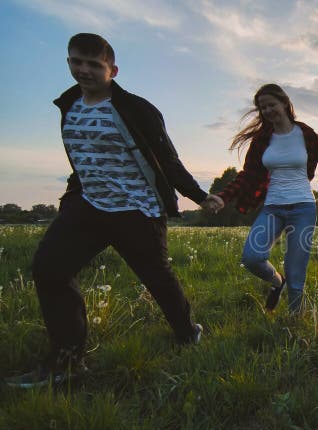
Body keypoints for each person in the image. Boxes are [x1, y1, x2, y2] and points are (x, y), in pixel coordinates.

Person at [5, 33, 221, 389]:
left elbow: (168, 160)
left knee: (158, 278)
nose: (84, 70)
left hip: (136, 211)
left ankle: (187, 331)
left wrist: (199, 196)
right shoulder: (70, 104)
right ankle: (67, 360)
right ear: (68, 63)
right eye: (77, 62)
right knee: (49, 269)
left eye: (94, 64)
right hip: (88, 206)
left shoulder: (138, 109)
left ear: (113, 69)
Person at [213, 84, 318, 314]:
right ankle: (277, 282)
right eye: (263, 108)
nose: (268, 111)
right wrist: (223, 197)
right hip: (272, 208)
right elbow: (248, 175)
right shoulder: (262, 140)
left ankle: (294, 321)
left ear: (284, 103)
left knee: (296, 270)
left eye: (271, 105)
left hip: (303, 209)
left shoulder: (305, 134)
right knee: (251, 257)